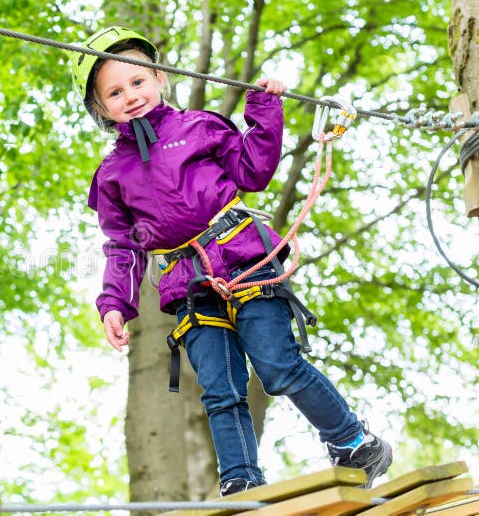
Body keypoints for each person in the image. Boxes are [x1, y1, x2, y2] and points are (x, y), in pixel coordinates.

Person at [73, 26, 393, 495]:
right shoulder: (112, 176)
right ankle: (241, 482)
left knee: (277, 363)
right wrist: (114, 303)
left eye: (138, 82)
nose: (131, 96)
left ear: (160, 77)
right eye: (115, 92)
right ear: (102, 110)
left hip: (243, 258)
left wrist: (264, 110)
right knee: (220, 389)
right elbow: (122, 245)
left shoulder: (197, 126)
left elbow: (254, 170)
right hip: (188, 283)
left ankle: (354, 441)